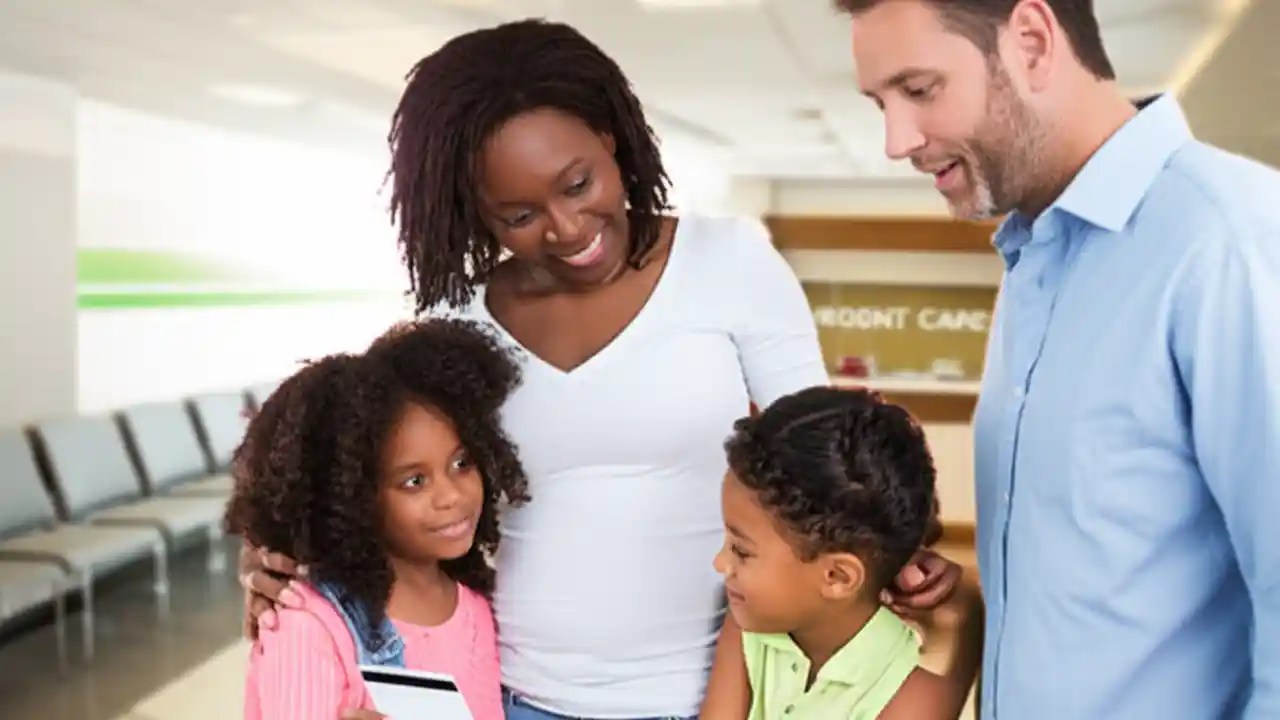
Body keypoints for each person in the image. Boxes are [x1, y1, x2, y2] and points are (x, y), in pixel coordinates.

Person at [240, 18, 963, 720]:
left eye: (577, 183)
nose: (567, 229)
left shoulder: (730, 262)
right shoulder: (460, 322)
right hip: (520, 694)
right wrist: (278, 551)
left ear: (613, 144)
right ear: (478, 217)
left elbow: (825, 464)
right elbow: (354, 448)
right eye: (519, 215)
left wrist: (891, 553)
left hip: (717, 692)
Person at [836, 0, 1280, 718]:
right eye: (878, 102)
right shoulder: (1034, 257)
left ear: (1034, 41)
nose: (896, 139)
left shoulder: (1227, 240)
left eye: (919, 90)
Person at [224, 319, 529, 720]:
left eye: (461, 463)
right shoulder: (308, 625)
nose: (452, 495)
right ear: (352, 496)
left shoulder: (478, 608)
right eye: (415, 481)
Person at [713, 386, 982, 719]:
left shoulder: (912, 682)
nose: (720, 563)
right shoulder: (748, 618)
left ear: (838, 577)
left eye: (741, 550)